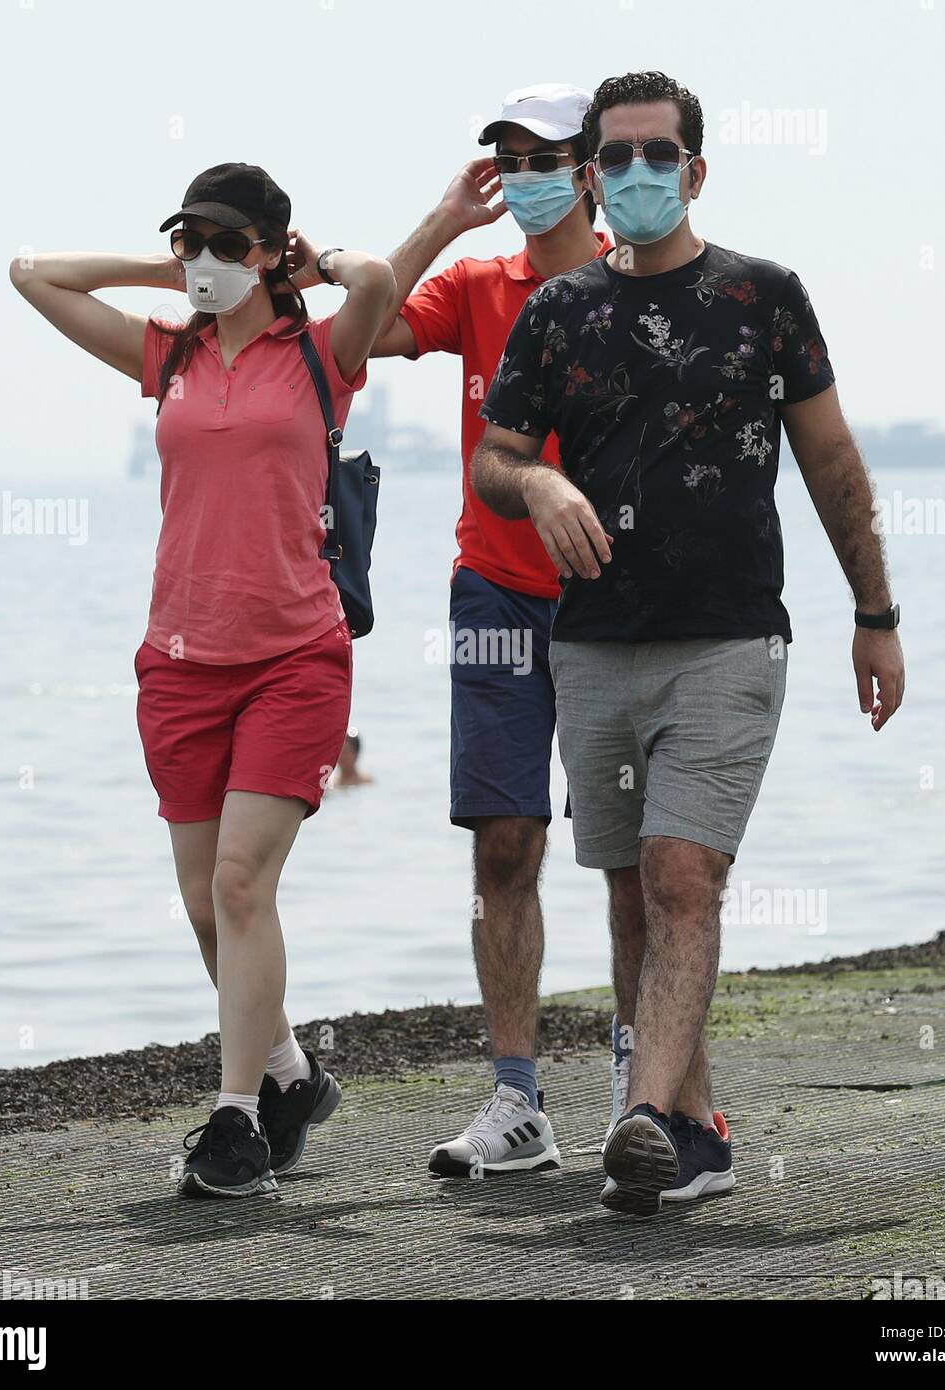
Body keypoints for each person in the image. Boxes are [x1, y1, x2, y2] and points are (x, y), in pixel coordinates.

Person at [472, 71, 905, 1215]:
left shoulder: (765, 296)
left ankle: (642, 1115)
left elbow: (831, 465)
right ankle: (697, 1134)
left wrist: (875, 615)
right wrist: (541, 479)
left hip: (727, 641)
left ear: (695, 170)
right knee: (632, 896)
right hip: (594, 642)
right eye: (612, 158)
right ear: (591, 175)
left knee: (682, 874)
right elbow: (493, 460)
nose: (632, 176)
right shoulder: (557, 309)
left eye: (654, 155)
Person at [10, 162, 395, 1197]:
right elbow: (30, 276)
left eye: (229, 243)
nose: (206, 261)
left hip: (294, 656)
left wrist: (320, 262)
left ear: (272, 251)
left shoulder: (320, 353)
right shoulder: (167, 355)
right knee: (199, 900)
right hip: (177, 662)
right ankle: (290, 1074)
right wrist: (167, 265)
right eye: (193, 240)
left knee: (239, 883)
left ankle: (236, 1123)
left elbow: (380, 287)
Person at [356, 84, 611, 1174]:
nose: (520, 174)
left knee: (644, 859)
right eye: (505, 157)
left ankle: (651, 1096)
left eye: (540, 155)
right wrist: (443, 219)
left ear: (589, 168)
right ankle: (517, 1102)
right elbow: (353, 334)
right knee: (503, 845)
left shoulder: (634, 280)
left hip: (619, 599)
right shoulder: (474, 281)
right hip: (493, 597)